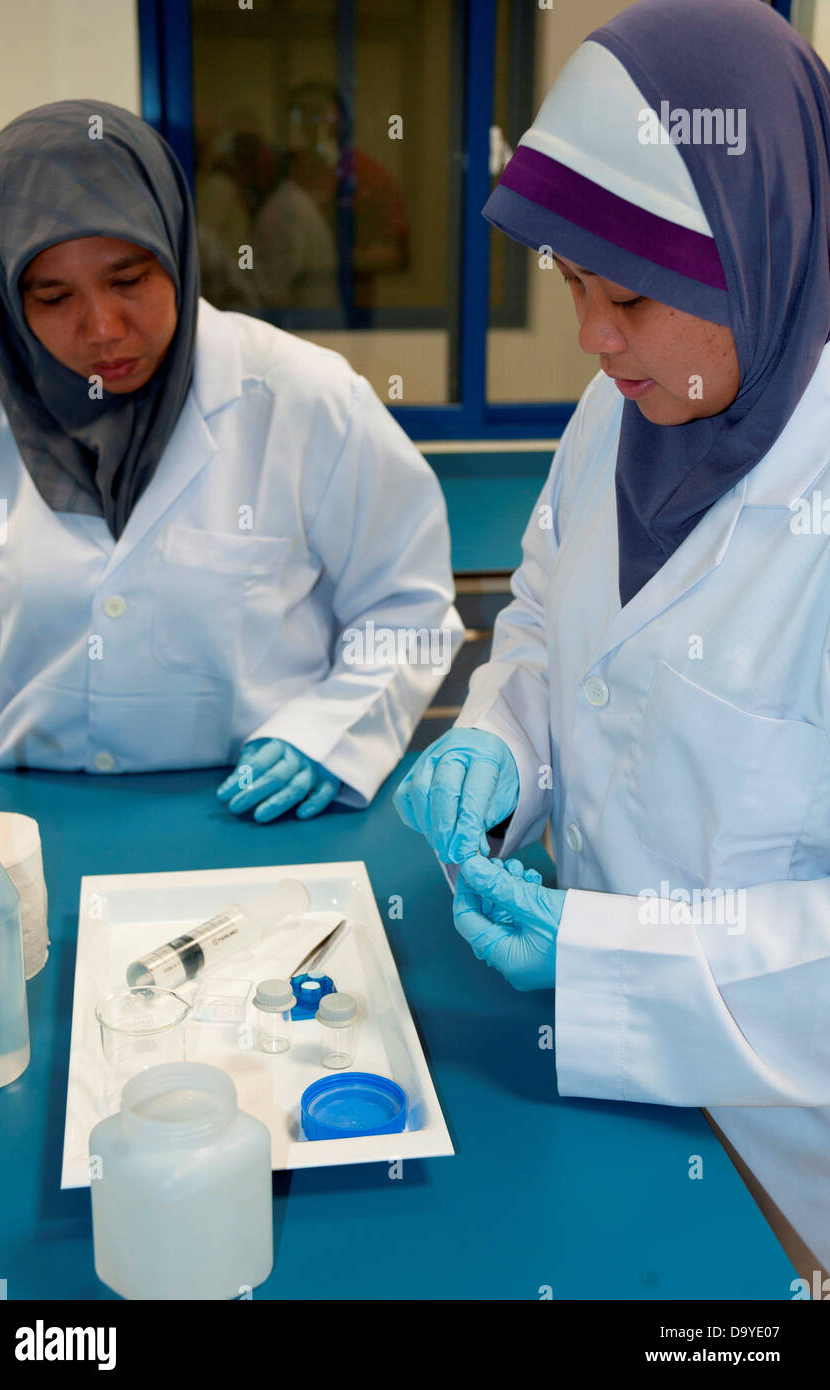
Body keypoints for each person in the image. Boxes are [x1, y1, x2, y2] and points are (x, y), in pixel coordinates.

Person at [395, 0, 830, 1273]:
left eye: (627, 295)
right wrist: (500, 742)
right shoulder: (617, 413)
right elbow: (542, 618)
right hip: (603, 1112)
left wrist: (619, 962)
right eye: (570, 285)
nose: (590, 340)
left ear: (760, 247)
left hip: (785, 1188)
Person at [0, 100, 462, 820]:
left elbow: (408, 606)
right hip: (33, 824)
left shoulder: (303, 397)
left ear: (175, 247)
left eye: (129, 279)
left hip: (250, 819)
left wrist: (327, 737)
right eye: (52, 296)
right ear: (8, 300)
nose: (103, 328)